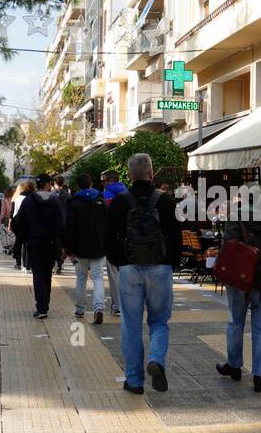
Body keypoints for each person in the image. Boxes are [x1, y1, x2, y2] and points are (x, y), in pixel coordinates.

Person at [105, 153, 182, 395]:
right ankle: (156, 359)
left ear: (129, 175)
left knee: (131, 324)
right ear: (151, 173)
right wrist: (172, 263)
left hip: (129, 269)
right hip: (160, 268)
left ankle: (134, 381)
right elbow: (176, 237)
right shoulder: (166, 201)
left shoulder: (119, 202)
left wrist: (119, 262)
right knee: (159, 321)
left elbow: (108, 238)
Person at [216, 204, 261, 393]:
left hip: (239, 281)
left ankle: (234, 365)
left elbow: (228, 248)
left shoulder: (235, 218)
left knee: (235, 323)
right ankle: (258, 376)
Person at [15, 173, 64, 319]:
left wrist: (24, 235)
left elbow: (18, 221)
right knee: (47, 274)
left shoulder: (29, 201)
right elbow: (61, 224)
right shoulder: (55, 201)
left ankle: (40, 307)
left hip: (34, 242)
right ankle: (45, 305)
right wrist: (60, 243)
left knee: (37, 274)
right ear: (48, 184)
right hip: (50, 243)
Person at [63, 173, 107, 325]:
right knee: (98, 277)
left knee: (81, 278)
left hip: (80, 248)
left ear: (78, 186)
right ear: (91, 184)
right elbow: (107, 225)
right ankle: (99, 308)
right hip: (99, 246)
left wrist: (69, 249)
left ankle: (80, 309)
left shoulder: (73, 203)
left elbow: (69, 229)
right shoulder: (100, 200)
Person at [101, 170, 128, 315]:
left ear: (111, 181)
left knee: (113, 274)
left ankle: (117, 305)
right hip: (128, 239)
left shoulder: (106, 195)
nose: (103, 183)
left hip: (113, 239)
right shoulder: (127, 192)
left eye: (104, 180)